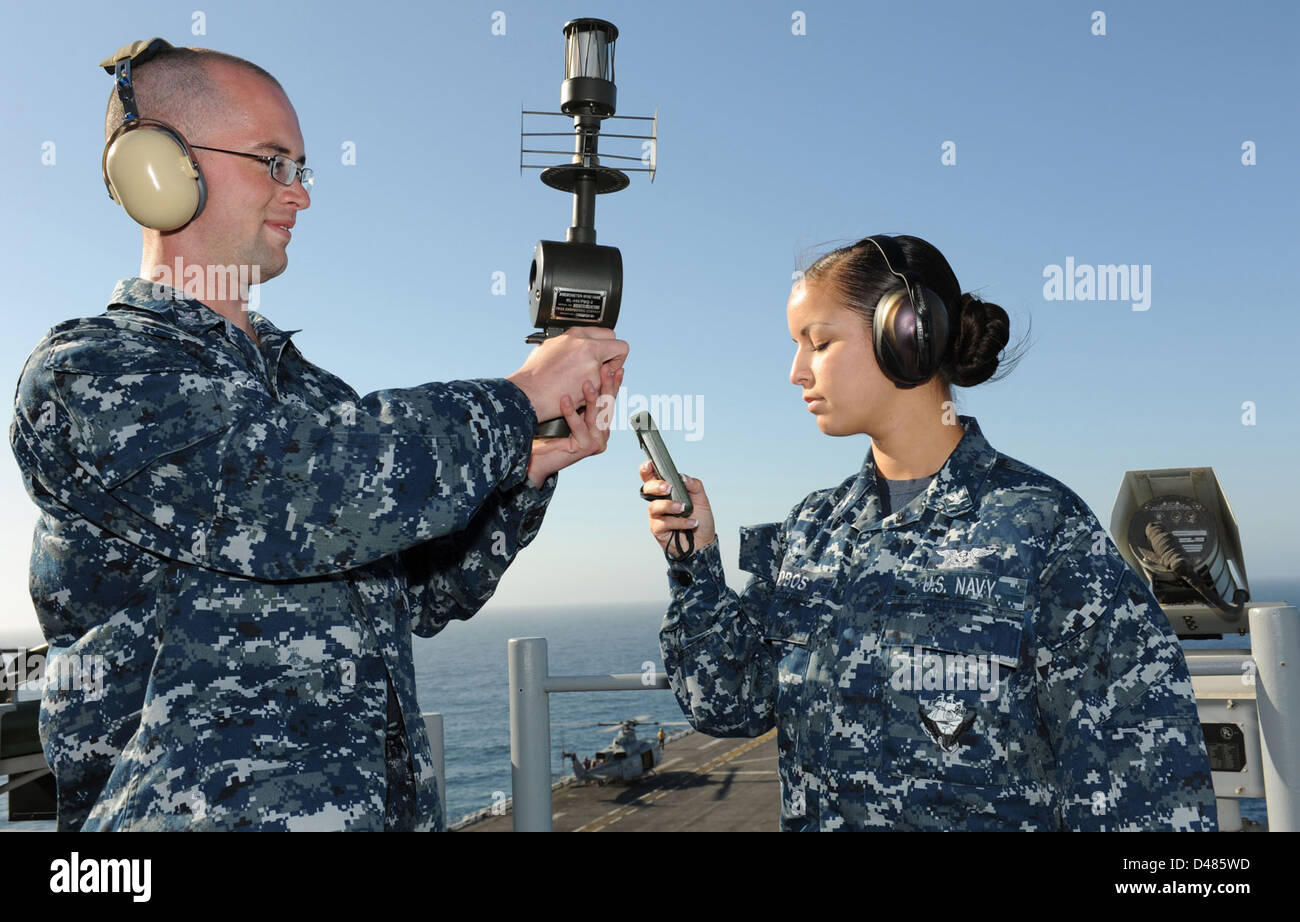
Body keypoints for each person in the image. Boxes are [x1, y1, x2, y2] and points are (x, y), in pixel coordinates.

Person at [9, 40, 628, 831]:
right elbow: (283, 495)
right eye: (273, 163)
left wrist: (527, 471)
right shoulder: (88, 374)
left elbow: (422, 593)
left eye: (302, 168)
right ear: (157, 170)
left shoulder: (311, 396)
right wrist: (512, 401)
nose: (299, 195)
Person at [641, 234, 1217, 831]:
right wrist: (695, 562)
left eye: (819, 342)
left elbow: (1148, 794)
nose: (796, 372)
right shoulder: (812, 531)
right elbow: (727, 703)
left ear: (905, 332)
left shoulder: (1041, 531)